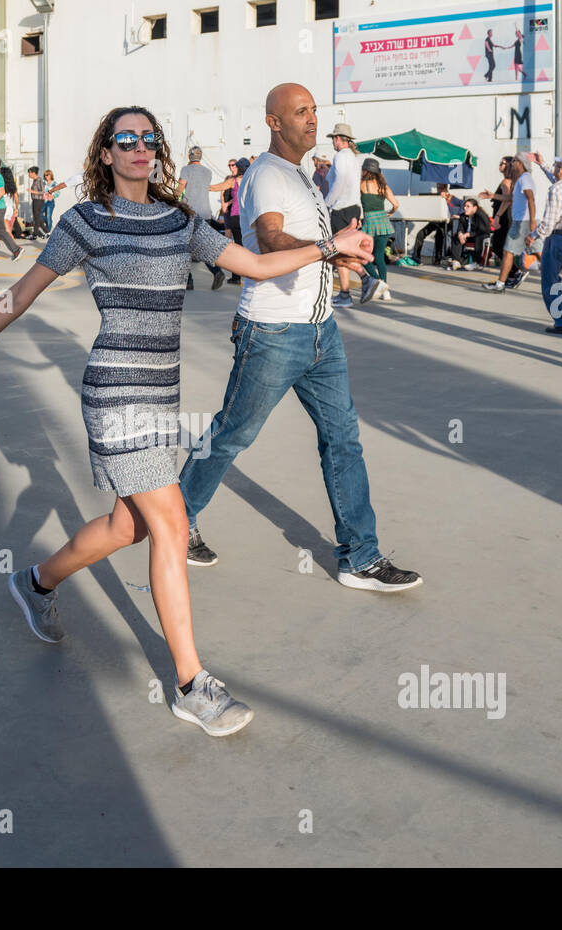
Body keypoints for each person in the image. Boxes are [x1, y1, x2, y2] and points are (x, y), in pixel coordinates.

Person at [0, 105, 373, 736]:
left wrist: (329, 247)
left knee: (129, 527)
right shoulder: (86, 221)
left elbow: (254, 265)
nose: (140, 148)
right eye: (127, 139)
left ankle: (36, 583)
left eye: (150, 138)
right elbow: (20, 294)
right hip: (114, 394)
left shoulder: (180, 221)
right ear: (107, 153)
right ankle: (190, 684)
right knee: (172, 525)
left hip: (161, 396)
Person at [179, 82, 422, 594]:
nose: (312, 120)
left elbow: (309, 244)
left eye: (313, 110)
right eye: (300, 112)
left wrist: (338, 251)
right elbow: (270, 241)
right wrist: (331, 245)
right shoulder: (267, 175)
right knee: (232, 434)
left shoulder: (304, 177)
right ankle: (176, 521)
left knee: (343, 439)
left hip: (320, 331)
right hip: (273, 332)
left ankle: (360, 557)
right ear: (274, 122)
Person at [526, 154, 562, 335]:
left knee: (549, 281)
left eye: (556, 165)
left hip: (557, 238)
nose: (554, 167)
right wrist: (541, 163)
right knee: (555, 278)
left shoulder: (556, 190)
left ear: (561, 170)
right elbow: (556, 177)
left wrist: (534, 236)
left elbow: (549, 220)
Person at [480, 154, 539, 291]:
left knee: (504, 248)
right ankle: (505, 280)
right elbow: (511, 197)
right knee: (509, 250)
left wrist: (531, 221)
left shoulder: (518, 179)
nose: (510, 164)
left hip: (515, 220)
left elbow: (528, 199)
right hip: (517, 219)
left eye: (512, 161)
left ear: (520, 163)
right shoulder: (518, 180)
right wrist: (492, 196)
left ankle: (513, 275)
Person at [324, 122, 363, 306]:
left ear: (338, 139)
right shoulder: (354, 158)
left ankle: (352, 290)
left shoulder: (340, 156)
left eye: (333, 138)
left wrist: (326, 204)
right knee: (347, 251)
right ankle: (356, 287)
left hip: (341, 209)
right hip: (353, 207)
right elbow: (354, 186)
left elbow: (339, 182)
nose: (333, 142)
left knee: (338, 252)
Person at [177, 146, 226, 291]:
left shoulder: (186, 170)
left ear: (189, 156)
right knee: (202, 246)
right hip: (206, 214)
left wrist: (172, 199)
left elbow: (181, 187)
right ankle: (217, 271)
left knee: (184, 247)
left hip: (190, 213)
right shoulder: (207, 172)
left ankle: (189, 281)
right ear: (200, 157)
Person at [358, 156, 397, 302]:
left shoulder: (361, 184)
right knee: (379, 257)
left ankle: (377, 283)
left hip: (368, 223)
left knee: (362, 256)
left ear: (365, 170)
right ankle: (385, 289)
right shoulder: (383, 186)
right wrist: (390, 212)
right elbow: (396, 204)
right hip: (383, 222)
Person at [208, 158, 246, 283]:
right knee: (245, 246)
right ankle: (245, 274)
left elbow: (215, 188)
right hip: (247, 218)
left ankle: (236, 277)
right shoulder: (251, 180)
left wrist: (200, 185)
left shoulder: (233, 181)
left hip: (236, 216)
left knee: (237, 246)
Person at [412, 181, 465, 265]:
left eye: (441, 188)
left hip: (446, 222)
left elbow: (463, 203)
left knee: (439, 236)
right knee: (420, 234)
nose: (439, 190)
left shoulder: (451, 198)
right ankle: (416, 256)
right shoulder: (435, 197)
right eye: (438, 188)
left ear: (445, 188)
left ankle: (438, 258)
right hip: (436, 220)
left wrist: (458, 214)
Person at [478, 156, 514, 268]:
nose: (500, 165)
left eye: (503, 163)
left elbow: (507, 199)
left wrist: (498, 216)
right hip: (506, 216)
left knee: (499, 246)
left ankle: (514, 270)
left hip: (504, 217)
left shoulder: (505, 182)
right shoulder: (509, 181)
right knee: (502, 246)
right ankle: (512, 272)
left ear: (508, 166)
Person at [446, 198, 490, 270]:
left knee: (478, 238)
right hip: (468, 235)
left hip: (480, 234)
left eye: (468, 206)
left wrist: (466, 235)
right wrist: (460, 234)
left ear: (474, 207)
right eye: (464, 206)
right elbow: (460, 228)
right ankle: (456, 261)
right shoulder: (463, 216)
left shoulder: (480, 216)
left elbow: (481, 230)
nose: (465, 208)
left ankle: (476, 263)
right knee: (455, 236)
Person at [27, 165, 48, 239]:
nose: (28, 175)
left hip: (39, 201)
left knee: (37, 218)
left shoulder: (39, 180)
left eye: (29, 173)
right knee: (37, 218)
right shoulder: (35, 180)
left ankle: (38, 233)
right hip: (35, 200)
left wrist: (32, 191)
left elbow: (42, 191)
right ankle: (41, 233)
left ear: (33, 173)